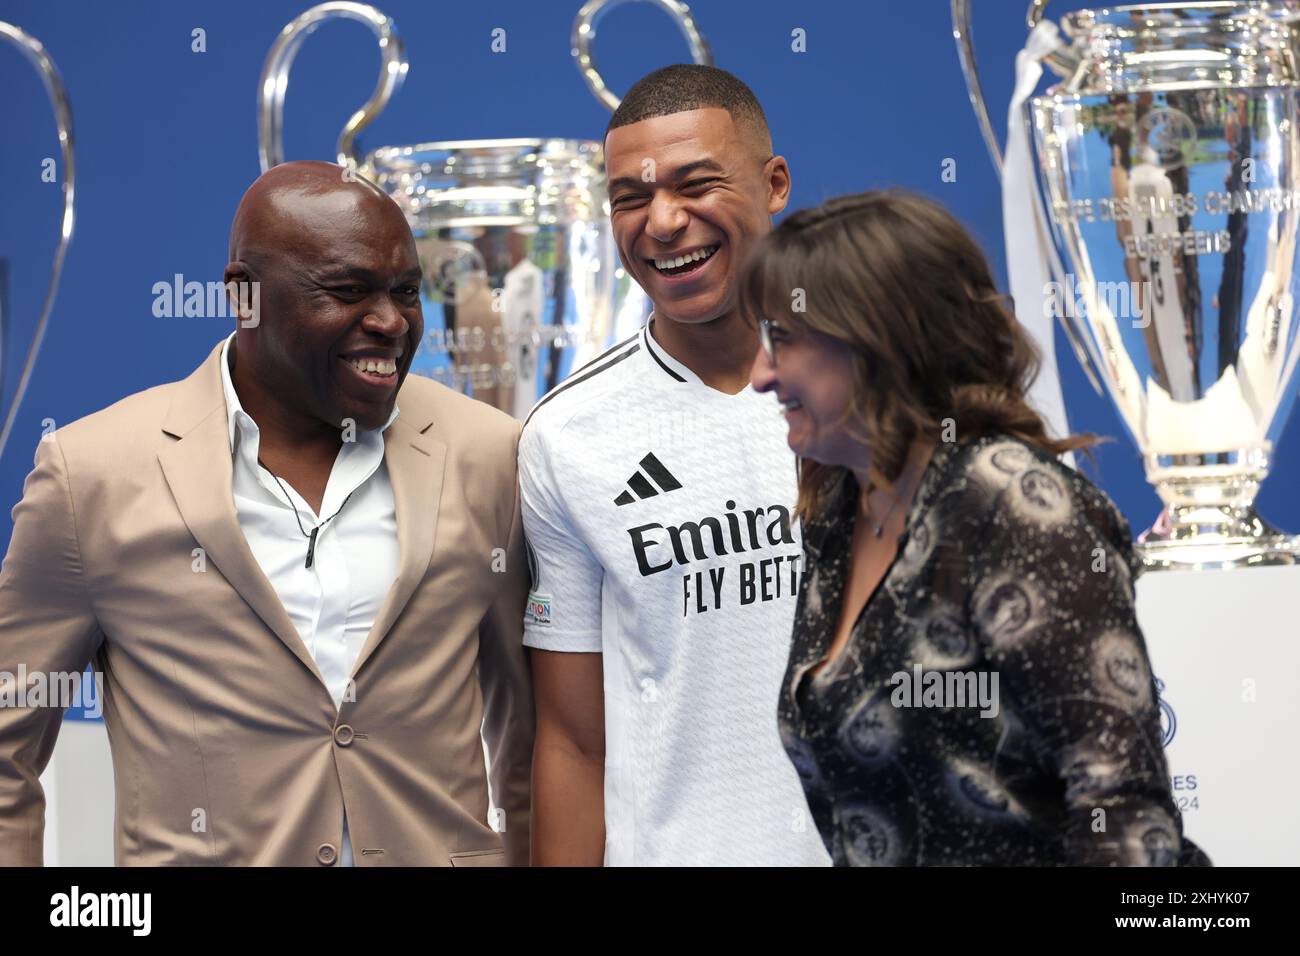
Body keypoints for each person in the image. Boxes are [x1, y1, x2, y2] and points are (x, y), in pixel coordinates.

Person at [0, 161, 533, 866]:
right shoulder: (92, 473)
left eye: (406, 292)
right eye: (347, 290)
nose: (390, 322)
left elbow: (534, 741)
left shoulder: (489, 452)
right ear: (244, 297)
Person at [743, 189, 1210, 866]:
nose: (760, 374)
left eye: (780, 339)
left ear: (875, 341)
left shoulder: (1012, 503)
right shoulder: (839, 512)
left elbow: (1127, 823)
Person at [520, 64, 830, 866]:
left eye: (697, 184)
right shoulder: (567, 436)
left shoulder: (879, 385)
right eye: (631, 197)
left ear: (774, 184)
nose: (662, 221)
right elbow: (572, 742)